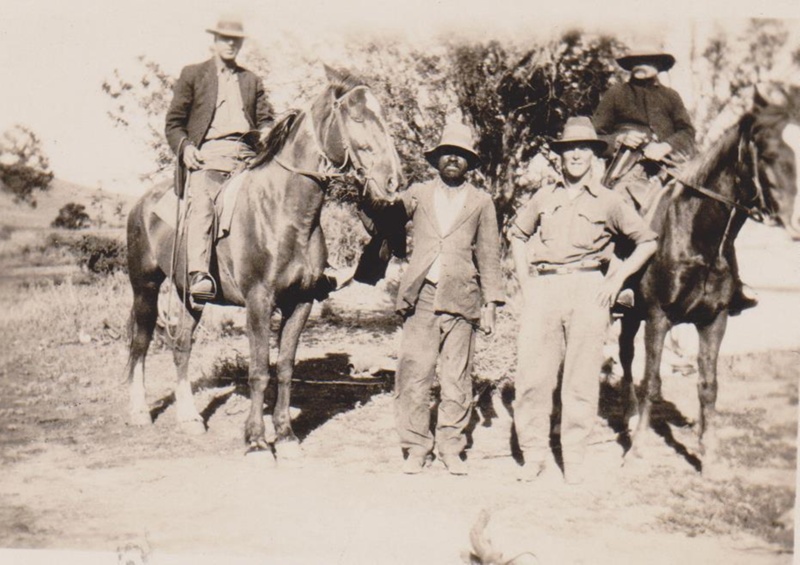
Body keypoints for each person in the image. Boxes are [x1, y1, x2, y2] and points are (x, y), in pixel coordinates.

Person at [509, 117, 658, 484]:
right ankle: (534, 454)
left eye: (583, 149)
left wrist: (618, 277)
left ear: (593, 156)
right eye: (568, 149)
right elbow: (516, 234)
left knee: (580, 379)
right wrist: (525, 280)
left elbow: (647, 241)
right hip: (543, 288)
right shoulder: (544, 196)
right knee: (532, 375)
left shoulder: (610, 200)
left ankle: (573, 458)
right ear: (560, 156)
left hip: (589, 288)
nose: (575, 155)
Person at [592, 45, 756, 314]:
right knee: (621, 207)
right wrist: (619, 139)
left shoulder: (670, 97)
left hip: (671, 165)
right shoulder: (616, 94)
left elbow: (686, 132)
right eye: (635, 60)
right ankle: (623, 283)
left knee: (712, 207)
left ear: (659, 66)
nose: (641, 64)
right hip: (628, 167)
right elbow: (596, 135)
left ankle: (732, 283)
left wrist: (666, 147)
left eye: (648, 59)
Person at [392, 122, 504, 476]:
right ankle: (415, 447)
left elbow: (489, 254)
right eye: (447, 154)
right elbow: (387, 218)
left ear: (469, 163)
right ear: (437, 160)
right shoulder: (418, 194)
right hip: (421, 296)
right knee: (415, 374)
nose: (453, 159)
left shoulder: (481, 201)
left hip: (462, 297)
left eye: (461, 155)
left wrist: (491, 304)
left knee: (457, 378)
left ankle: (450, 447)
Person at [165, 15, 274, 303]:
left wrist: (267, 131)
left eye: (235, 40)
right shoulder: (193, 74)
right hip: (209, 156)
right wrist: (186, 148)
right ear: (214, 41)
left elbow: (265, 118)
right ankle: (199, 275)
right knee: (203, 204)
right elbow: (174, 123)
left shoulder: (252, 80)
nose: (230, 44)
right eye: (225, 38)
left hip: (248, 157)